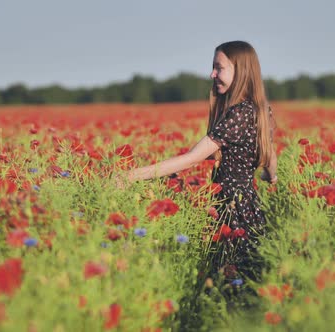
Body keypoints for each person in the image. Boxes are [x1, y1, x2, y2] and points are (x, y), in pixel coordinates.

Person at [115, 40, 277, 296]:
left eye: (219, 67)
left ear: (241, 70)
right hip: (249, 208)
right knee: (243, 286)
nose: (212, 74)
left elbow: (192, 158)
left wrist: (132, 175)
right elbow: (270, 159)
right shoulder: (261, 110)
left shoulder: (238, 113)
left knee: (227, 286)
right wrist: (270, 176)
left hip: (230, 210)